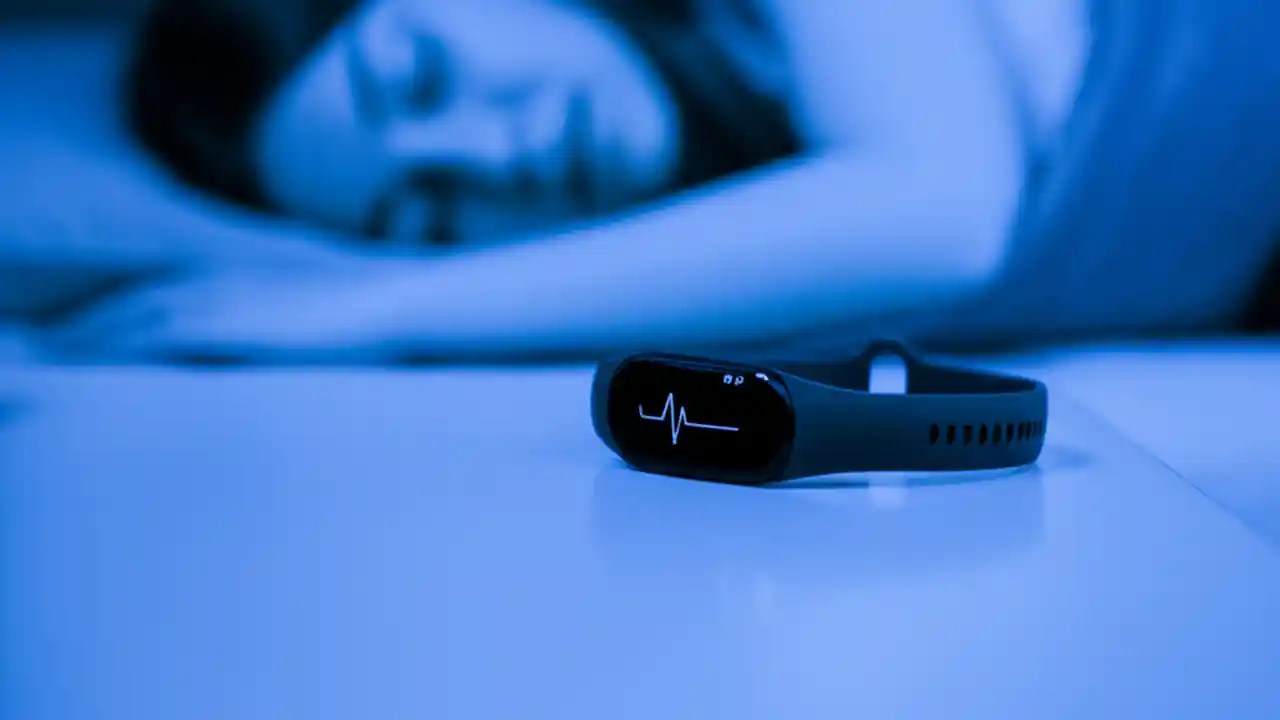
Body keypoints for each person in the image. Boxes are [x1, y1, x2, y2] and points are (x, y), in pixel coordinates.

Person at [58, 0, 1280, 361]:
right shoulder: (728, 253)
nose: (490, 156)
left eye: (421, 74)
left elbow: (941, 212)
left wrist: (375, 305)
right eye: (428, 215)